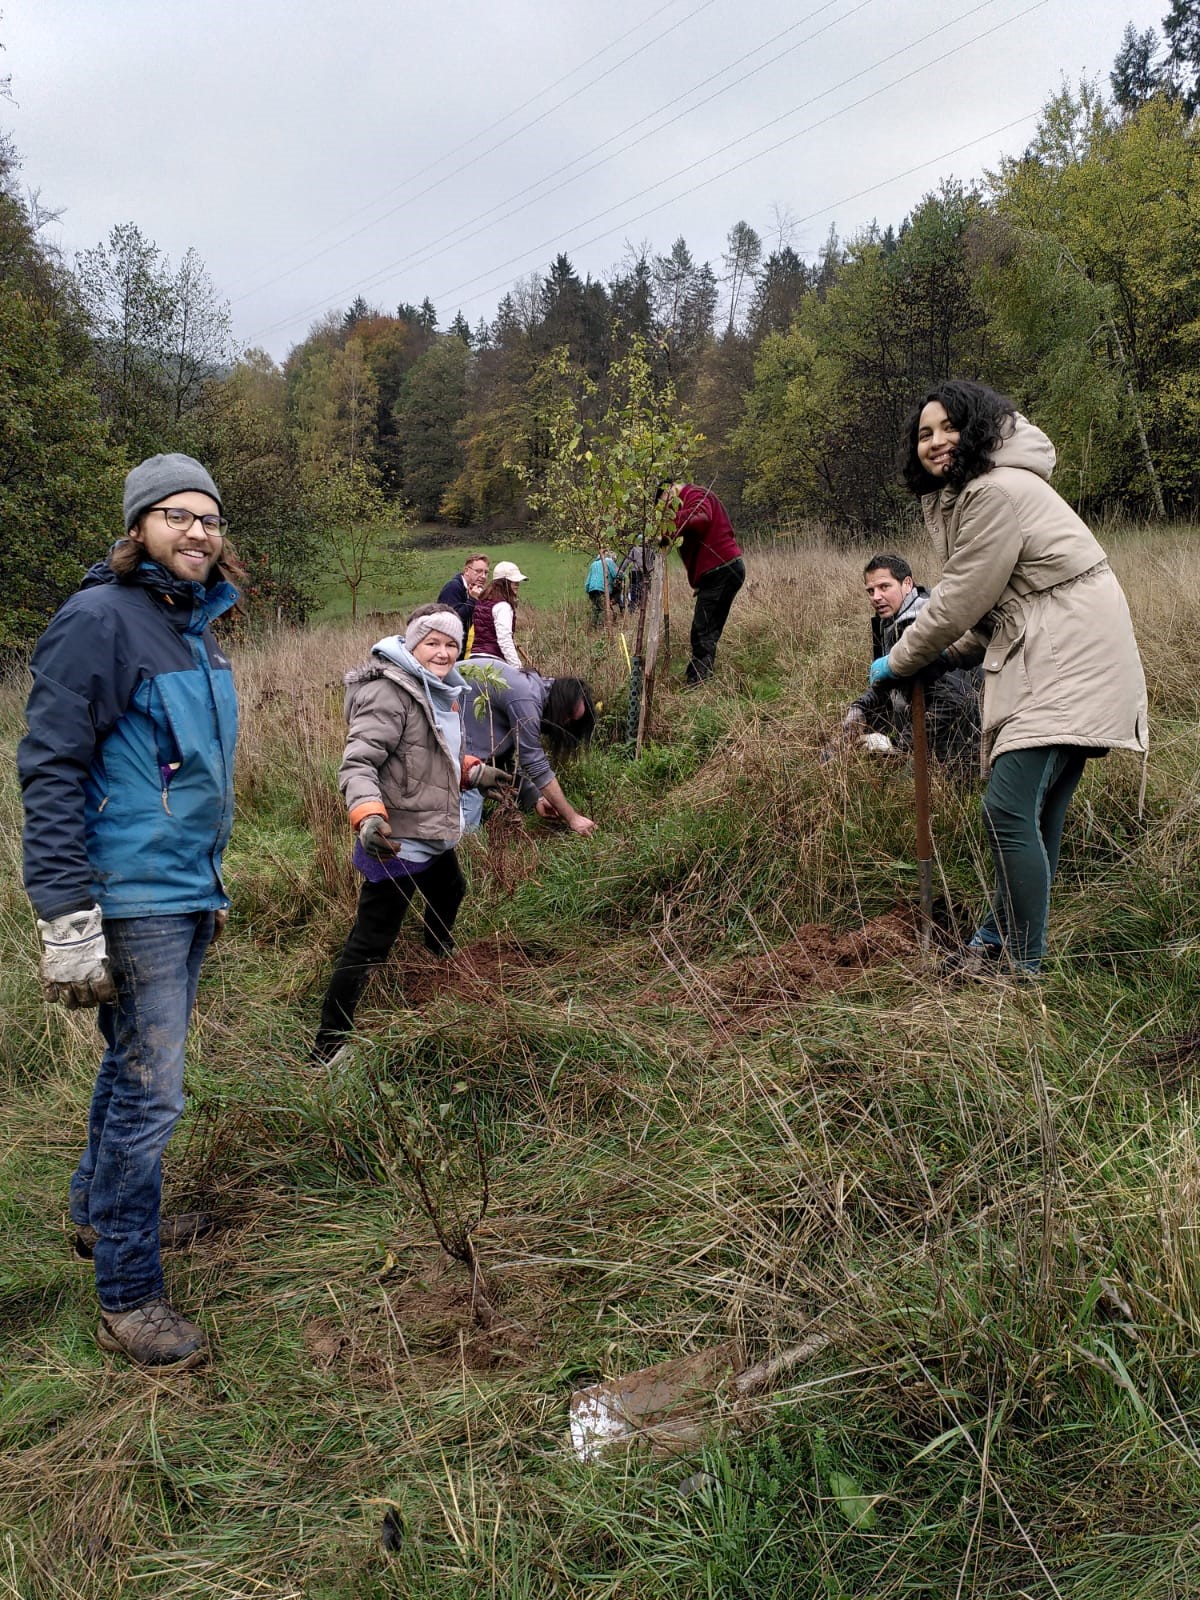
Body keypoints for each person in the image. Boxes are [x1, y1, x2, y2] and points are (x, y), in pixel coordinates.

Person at [17, 453, 239, 1370]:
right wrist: (66, 914)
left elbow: (184, 774)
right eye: (176, 517)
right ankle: (128, 1295)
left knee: (127, 1073)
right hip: (131, 893)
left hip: (181, 886)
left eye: (210, 519)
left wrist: (209, 884)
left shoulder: (189, 623)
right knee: (154, 1095)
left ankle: (98, 1217)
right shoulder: (100, 620)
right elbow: (51, 767)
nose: (197, 532)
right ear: (138, 528)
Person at [870, 380, 1147, 977]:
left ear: (978, 429)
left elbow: (961, 598)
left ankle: (1022, 967)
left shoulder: (994, 492)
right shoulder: (979, 491)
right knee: (1034, 811)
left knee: (1005, 808)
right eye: (924, 433)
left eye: (949, 427)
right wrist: (952, 656)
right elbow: (1003, 601)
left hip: (1069, 655)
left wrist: (900, 660)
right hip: (1058, 645)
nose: (937, 441)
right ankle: (999, 937)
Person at [313, 606, 508, 1063]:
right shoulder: (390, 693)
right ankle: (328, 1044)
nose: (442, 652)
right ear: (413, 645)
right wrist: (367, 817)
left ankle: (436, 958)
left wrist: (473, 773)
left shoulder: (441, 689)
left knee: (452, 889)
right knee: (370, 944)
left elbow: (427, 756)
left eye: (450, 644)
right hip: (397, 839)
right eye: (432, 642)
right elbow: (359, 763)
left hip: (433, 832)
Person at [841, 553, 980, 767]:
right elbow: (889, 681)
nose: (876, 597)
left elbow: (954, 701)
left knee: (897, 790)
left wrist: (899, 745)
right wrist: (859, 708)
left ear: (907, 583)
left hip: (961, 750)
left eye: (884, 587)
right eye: (871, 591)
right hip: (930, 737)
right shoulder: (890, 623)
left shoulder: (926, 628)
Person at [460, 661, 598, 836]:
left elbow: (502, 765)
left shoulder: (532, 691)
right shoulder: (526, 698)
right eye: (568, 716)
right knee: (468, 835)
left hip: (465, 751)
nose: (565, 724)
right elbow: (534, 763)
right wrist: (572, 818)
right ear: (561, 702)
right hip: (449, 750)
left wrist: (536, 798)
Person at [658, 481, 745, 684]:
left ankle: (697, 681)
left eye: (665, 504)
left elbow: (700, 520)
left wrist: (668, 525)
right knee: (708, 628)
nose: (667, 509)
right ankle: (700, 676)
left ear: (670, 489)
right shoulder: (689, 499)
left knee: (702, 629)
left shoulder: (695, 494)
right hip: (720, 570)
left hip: (721, 568)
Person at [469, 560, 527, 669]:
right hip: (493, 662)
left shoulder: (483, 601)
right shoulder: (503, 606)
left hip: (474, 659)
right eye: (514, 582)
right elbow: (504, 639)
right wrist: (518, 668)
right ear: (503, 583)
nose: (517, 585)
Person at [438, 553, 489, 634]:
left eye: (486, 572)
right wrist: (472, 600)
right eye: (478, 571)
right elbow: (453, 620)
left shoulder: (476, 590)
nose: (483, 576)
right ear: (466, 570)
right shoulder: (453, 587)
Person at [585, 551, 619, 626]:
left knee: (596, 609)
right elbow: (617, 574)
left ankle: (592, 627)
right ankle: (602, 628)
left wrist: (588, 590)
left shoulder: (593, 564)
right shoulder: (609, 561)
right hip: (602, 589)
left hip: (592, 590)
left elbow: (587, 582)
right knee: (605, 610)